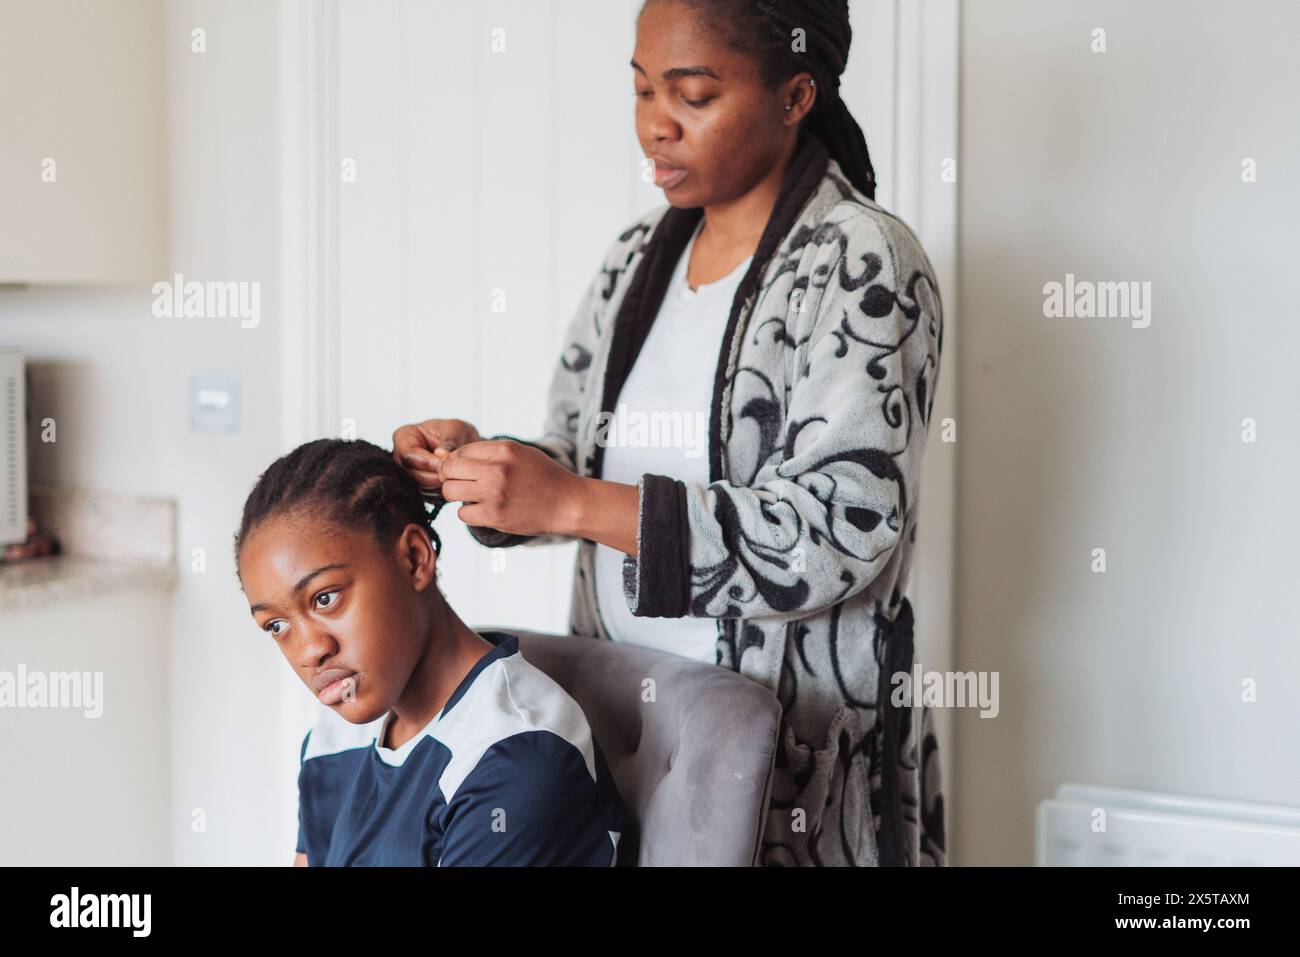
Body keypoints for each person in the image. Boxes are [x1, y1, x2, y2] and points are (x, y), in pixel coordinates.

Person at [393, 0, 945, 866]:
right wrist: (493, 471)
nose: (657, 125)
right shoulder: (632, 260)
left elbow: (840, 532)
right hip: (623, 728)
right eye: (644, 89)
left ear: (796, 94)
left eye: (692, 95)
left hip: (788, 756)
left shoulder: (861, 261)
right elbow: (576, 456)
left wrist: (571, 500)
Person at [234, 437, 625, 866]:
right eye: (277, 625)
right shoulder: (332, 743)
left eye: (325, 598)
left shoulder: (516, 755)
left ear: (415, 558)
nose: (310, 651)